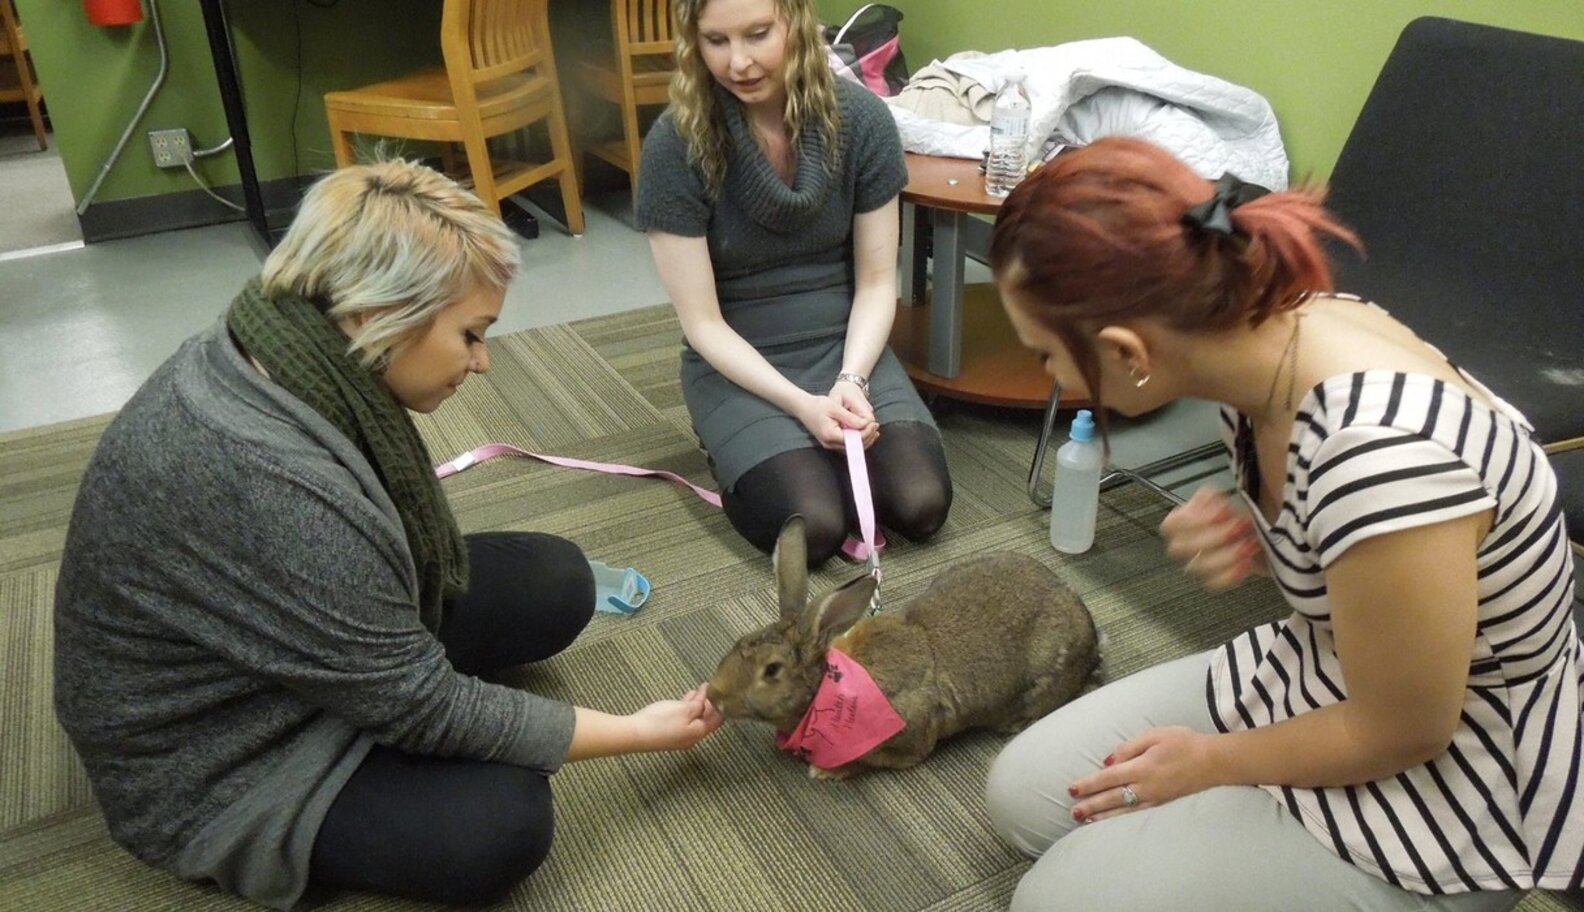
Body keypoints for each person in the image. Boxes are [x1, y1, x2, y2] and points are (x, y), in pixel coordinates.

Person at [52, 160, 724, 911]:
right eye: (471, 333)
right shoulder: (277, 487)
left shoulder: (278, 340)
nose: (483, 359)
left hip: (281, 648)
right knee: (502, 822)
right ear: (378, 316)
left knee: (556, 579)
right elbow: (422, 705)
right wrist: (640, 732)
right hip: (213, 756)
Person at [982, 137, 1581, 911]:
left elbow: (1406, 731)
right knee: (1024, 794)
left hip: (1457, 773)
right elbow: (1365, 558)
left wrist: (1214, 762)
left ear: (1129, 352)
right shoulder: (1272, 329)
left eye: (1042, 356)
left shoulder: (1381, 460)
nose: (1048, 377)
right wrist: (1267, 541)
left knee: (1054, 900)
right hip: (1331, 666)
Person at [636, 0, 952, 565]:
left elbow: (879, 283)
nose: (739, 62)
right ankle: (733, 441)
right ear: (693, 43)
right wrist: (801, 405)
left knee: (920, 505)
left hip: (846, 344)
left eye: (758, 34)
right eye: (715, 41)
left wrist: (852, 379)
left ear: (797, 22)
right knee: (815, 530)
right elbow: (702, 324)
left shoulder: (864, 121)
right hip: (738, 361)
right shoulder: (673, 145)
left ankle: (813, 443)